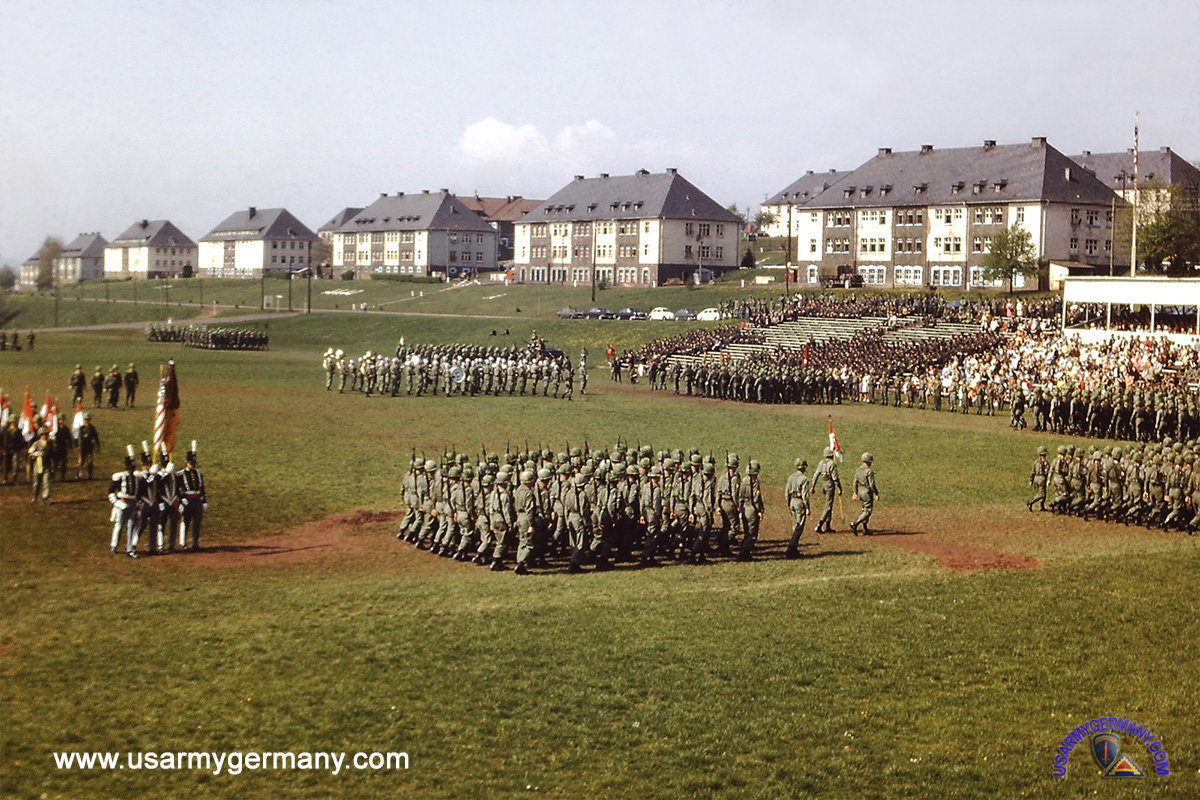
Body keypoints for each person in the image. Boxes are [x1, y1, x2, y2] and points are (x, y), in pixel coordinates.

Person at [108, 453, 140, 557]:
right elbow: (111, 491)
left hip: (132, 504)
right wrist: (117, 502)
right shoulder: (120, 477)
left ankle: (130, 549)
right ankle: (114, 545)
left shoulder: (136, 478)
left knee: (131, 527)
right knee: (119, 526)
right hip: (122, 504)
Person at [176, 446, 207, 550]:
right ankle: (183, 542)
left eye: (193, 462)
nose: (192, 464)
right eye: (190, 462)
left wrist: (204, 500)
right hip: (187, 500)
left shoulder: (199, 473)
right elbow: (176, 490)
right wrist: (181, 499)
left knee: (197, 522)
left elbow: (202, 488)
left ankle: (195, 542)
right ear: (186, 462)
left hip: (197, 499)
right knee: (186, 521)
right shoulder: (180, 474)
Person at [736, 460, 764, 561]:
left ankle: (745, 553)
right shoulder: (755, 482)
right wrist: (760, 511)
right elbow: (756, 499)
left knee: (747, 531)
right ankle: (744, 553)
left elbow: (739, 496)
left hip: (744, 508)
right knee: (752, 534)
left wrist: (740, 509)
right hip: (751, 509)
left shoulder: (743, 481)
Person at [785, 459, 811, 558]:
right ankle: (791, 548)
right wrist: (807, 507)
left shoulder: (790, 477)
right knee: (799, 527)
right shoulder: (804, 479)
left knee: (795, 525)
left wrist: (788, 504)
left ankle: (794, 548)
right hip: (799, 502)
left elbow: (786, 492)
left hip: (792, 501)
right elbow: (805, 495)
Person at [813, 447, 842, 533]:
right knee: (828, 506)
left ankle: (828, 526)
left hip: (823, 484)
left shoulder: (821, 463)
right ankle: (819, 525)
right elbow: (835, 477)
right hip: (829, 484)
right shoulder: (832, 464)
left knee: (829, 505)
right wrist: (839, 487)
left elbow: (816, 474)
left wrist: (813, 485)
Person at [850, 453, 880, 535]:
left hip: (860, 491)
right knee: (868, 511)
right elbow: (872, 484)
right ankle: (855, 523)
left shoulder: (858, 470)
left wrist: (855, 492)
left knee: (864, 510)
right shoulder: (869, 471)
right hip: (867, 492)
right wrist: (876, 493)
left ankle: (865, 529)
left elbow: (855, 482)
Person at [27, 428, 52, 504]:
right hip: (38, 465)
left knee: (46, 482)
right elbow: (30, 453)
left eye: (45, 435)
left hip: (47, 465)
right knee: (36, 483)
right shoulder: (36, 444)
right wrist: (35, 455)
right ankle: (35, 496)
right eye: (42, 435)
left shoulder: (49, 444)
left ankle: (46, 498)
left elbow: (53, 454)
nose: (44, 436)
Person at [75, 414, 101, 480]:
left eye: (88, 420)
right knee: (81, 462)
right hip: (83, 447)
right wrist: (79, 446)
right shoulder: (82, 429)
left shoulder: (92, 428)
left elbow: (96, 438)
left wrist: (98, 446)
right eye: (86, 420)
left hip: (89, 447)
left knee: (90, 462)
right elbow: (79, 438)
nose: (87, 421)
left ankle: (90, 475)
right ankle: (77, 474)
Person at [1027, 445, 1049, 512]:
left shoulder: (1036, 462)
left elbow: (1032, 471)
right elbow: (1046, 472)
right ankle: (1031, 502)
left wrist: (1031, 480)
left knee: (1043, 493)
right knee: (1042, 494)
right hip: (1041, 478)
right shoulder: (1045, 462)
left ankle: (1042, 506)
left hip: (1036, 478)